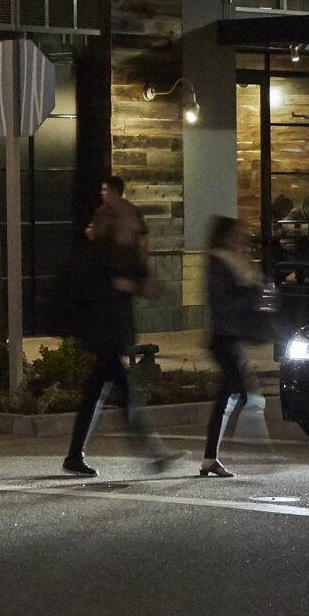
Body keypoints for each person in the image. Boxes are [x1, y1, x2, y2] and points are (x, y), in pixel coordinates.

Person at [63, 174, 177, 478]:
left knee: (97, 393)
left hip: (110, 332)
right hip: (105, 332)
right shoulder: (103, 253)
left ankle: (76, 455)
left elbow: (144, 283)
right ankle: (154, 454)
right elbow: (99, 288)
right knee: (122, 393)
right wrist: (125, 284)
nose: (136, 229)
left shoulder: (117, 253)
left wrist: (133, 283)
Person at [200, 216, 270, 478]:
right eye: (238, 234)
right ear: (226, 237)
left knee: (228, 397)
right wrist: (252, 291)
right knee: (246, 394)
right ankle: (257, 451)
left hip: (231, 338)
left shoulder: (234, 264)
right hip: (224, 338)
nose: (244, 239)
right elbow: (225, 302)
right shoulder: (220, 263)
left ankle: (210, 458)